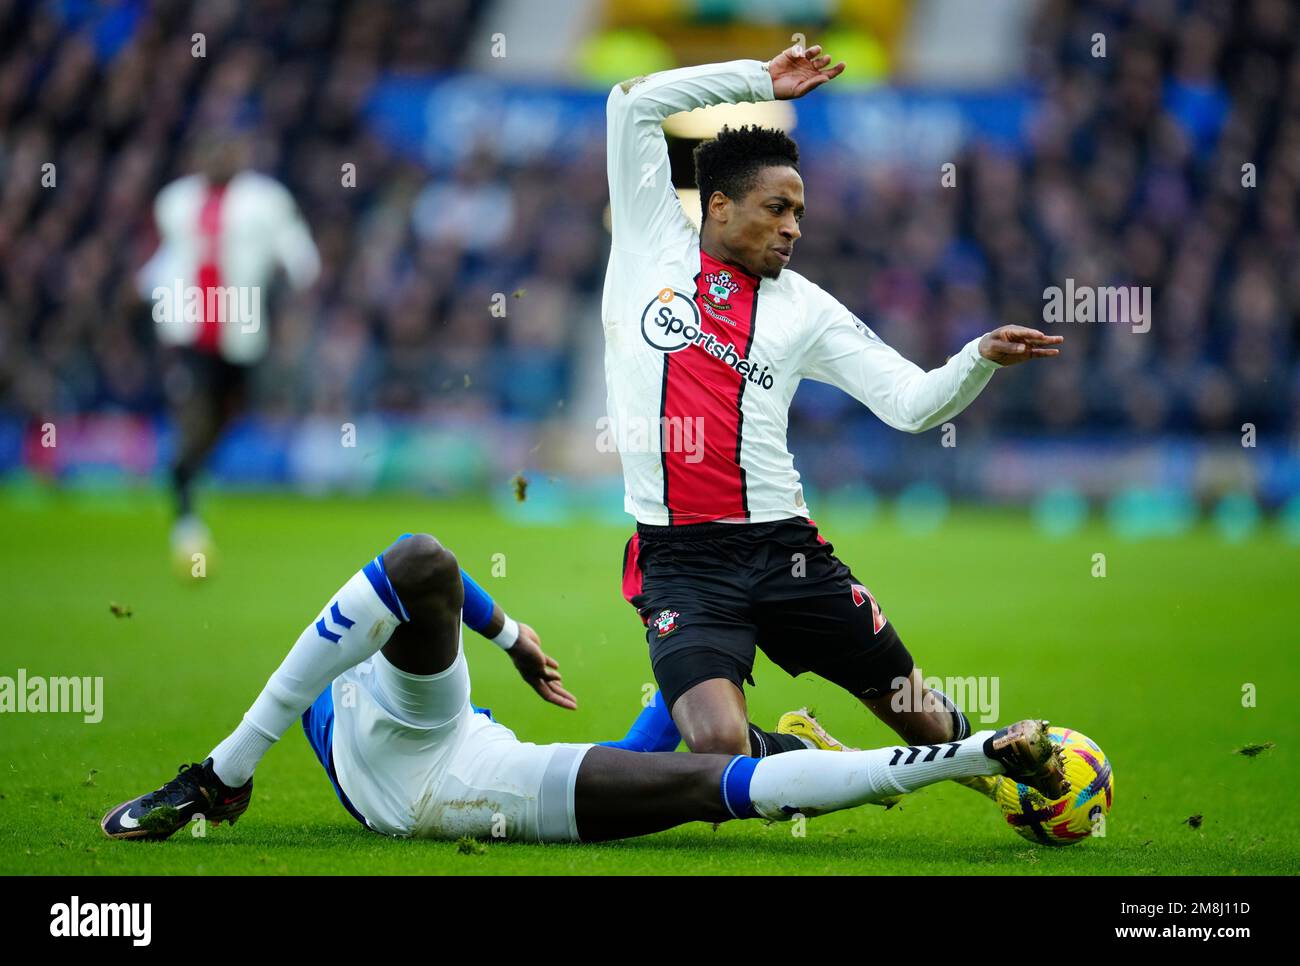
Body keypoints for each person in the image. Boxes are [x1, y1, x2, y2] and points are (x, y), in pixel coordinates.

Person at [602, 44, 1064, 789]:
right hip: (682, 561)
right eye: (777, 209)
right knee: (715, 748)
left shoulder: (807, 309)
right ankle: (816, 762)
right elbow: (631, 102)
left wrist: (976, 356)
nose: (794, 228)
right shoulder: (650, 250)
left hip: (785, 549)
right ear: (719, 206)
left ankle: (985, 764)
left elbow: (911, 405)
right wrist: (760, 81)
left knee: (921, 715)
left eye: (800, 214)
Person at [100, 533, 1067, 843]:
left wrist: (511, 635)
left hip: (450, 748)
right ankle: (221, 776)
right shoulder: (329, 654)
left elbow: (427, 576)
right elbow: (406, 586)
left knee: (709, 778)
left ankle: (948, 754)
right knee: (703, 775)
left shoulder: (352, 649)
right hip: (434, 787)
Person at [138, 130, 320, 570]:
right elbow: (165, 259)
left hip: (242, 332)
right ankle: (183, 496)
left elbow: (299, 258)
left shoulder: (265, 200)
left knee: (227, 413)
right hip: (188, 329)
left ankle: (188, 474)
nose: (219, 157)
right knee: (197, 409)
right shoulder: (175, 201)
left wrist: (295, 296)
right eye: (211, 149)